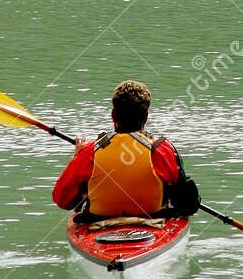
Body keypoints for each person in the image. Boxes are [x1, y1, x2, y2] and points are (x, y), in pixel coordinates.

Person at [52, 79, 200, 222]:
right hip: (154, 220)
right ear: (146, 117)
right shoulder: (162, 150)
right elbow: (187, 205)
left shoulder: (90, 152)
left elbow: (62, 200)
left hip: (98, 222)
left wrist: (77, 157)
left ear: (113, 116)